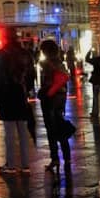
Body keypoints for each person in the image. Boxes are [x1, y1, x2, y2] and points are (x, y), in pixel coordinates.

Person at [0, 34, 33, 175]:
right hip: (21, 96)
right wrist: (27, 91)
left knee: (9, 134)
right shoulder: (25, 54)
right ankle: (25, 165)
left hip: (7, 96)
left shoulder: (2, 54)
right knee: (23, 132)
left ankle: (11, 165)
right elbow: (31, 75)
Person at [38, 40, 72, 173]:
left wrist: (43, 93)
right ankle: (67, 157)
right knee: (60, 127)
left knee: (51, 130)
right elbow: (64, 84)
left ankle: (55, 158)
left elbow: (48, 83)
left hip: (50, 99)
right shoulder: (60, 63)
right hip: (60, 99)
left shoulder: (48, 65)